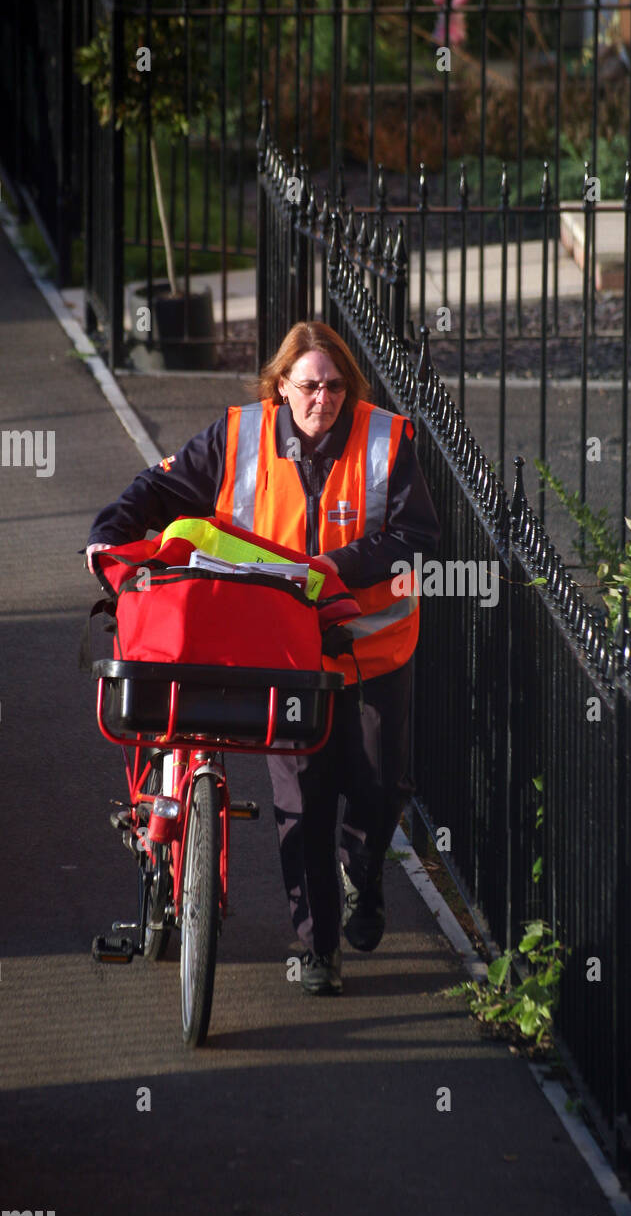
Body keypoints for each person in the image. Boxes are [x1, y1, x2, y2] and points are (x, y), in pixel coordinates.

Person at [86, 320, 441, 996]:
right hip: (280, 657)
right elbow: (162, 488)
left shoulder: (387, 441)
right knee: (301, 801)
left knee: (375, 789)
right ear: (281, 386)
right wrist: (110, 532)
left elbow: (417, 535)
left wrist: (329, 568)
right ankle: (316, 951)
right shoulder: (239, 437)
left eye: (336, 386)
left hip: (370, 654)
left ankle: (360, 874)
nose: (323, 399)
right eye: (309, 385)